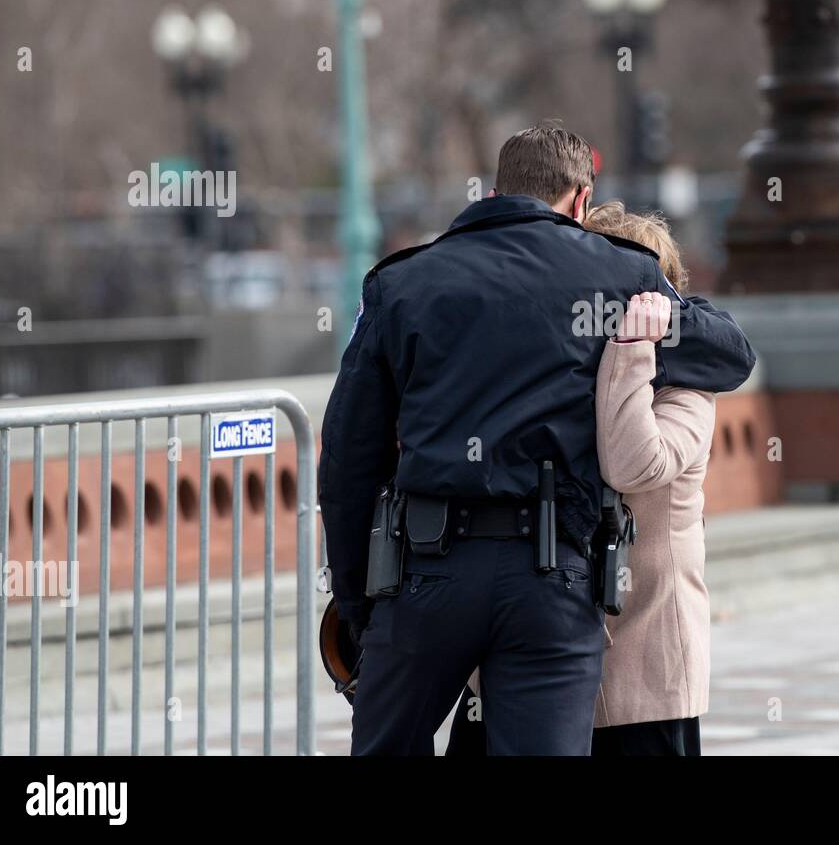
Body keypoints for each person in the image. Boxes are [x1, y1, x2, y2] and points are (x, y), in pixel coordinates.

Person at [318, 124, 755, 755]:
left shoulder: (402, 284)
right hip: (552, 575)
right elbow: (732, 355)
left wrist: (361, 604)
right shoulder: (617, 277)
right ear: (582, 200)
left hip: (425, 576)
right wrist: (657, 326)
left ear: (495, 190)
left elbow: (349, 461)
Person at [447, 201, 716, 756]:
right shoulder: (549, 385)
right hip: (525, 663)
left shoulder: (686, 391)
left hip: (642, 682)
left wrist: (630, 349)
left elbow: (635, 465)